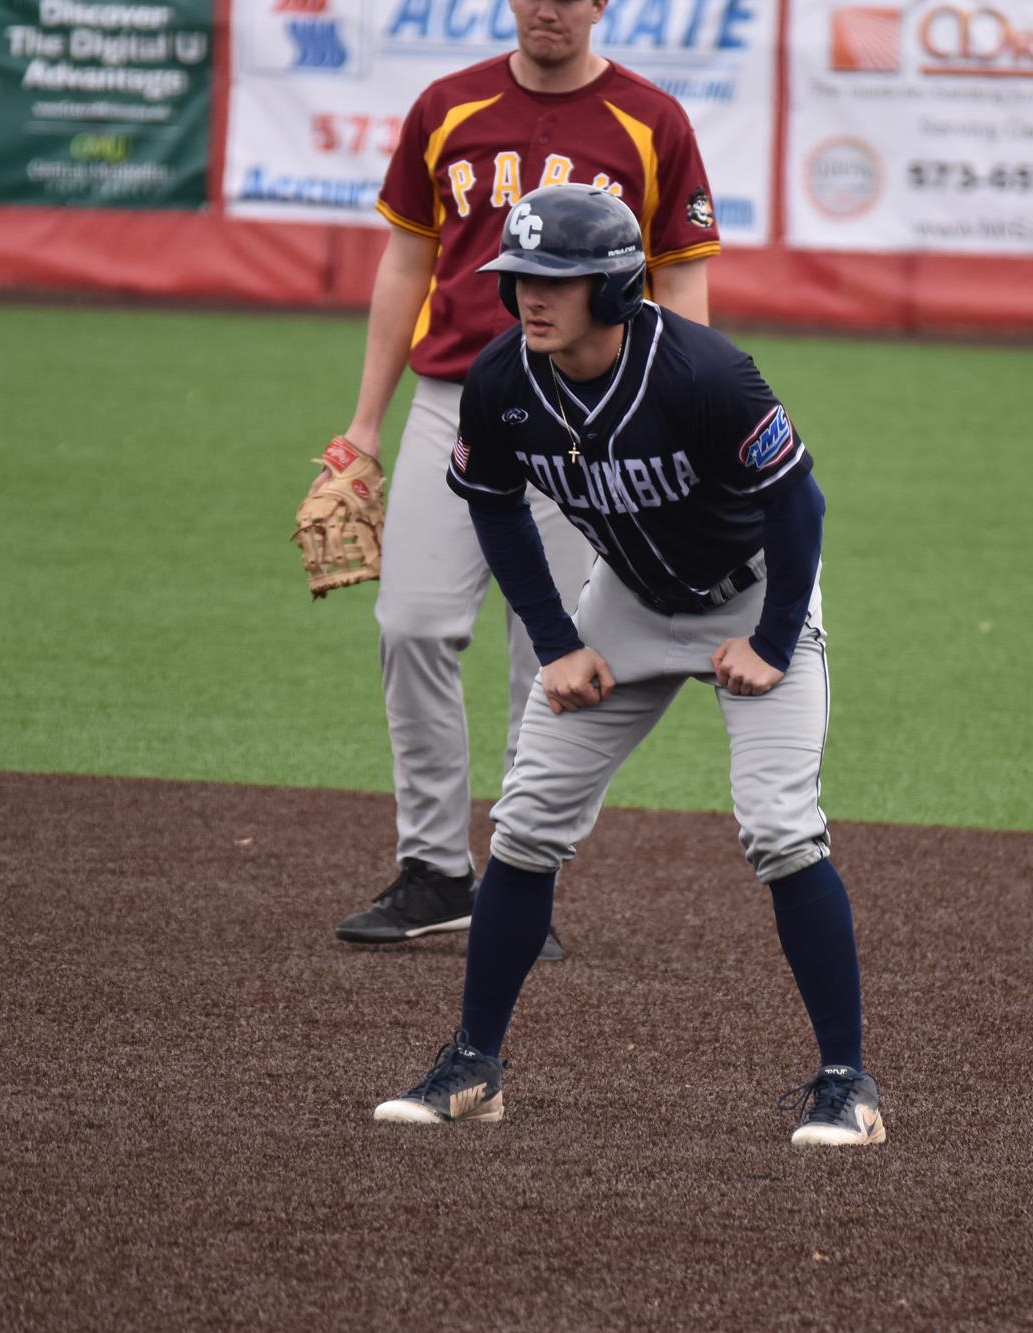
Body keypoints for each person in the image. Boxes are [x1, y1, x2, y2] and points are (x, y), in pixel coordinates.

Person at [370, 185, 885, 1147]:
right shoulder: (498, 381)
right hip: (629, 603)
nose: (529, 295)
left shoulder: (703, 372)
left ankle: (846, 1083)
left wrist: (773, 642)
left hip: (752, 593)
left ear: (612, 287)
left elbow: (800, 505)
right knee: (524, 826)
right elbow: (491, 502)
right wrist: (558, 641)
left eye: (555, 279)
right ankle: (474, 1065)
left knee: (780, 828)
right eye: (518, 276)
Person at [325, 0, 722, 963]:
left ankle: (520, 879)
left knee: (547, 654)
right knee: (411, 624)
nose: (549, 6)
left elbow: (681, 286)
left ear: (600, 6)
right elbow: (405, 264)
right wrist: (363, 427)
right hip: (450, 399)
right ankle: (433, 871)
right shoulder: (448, 107)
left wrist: (683, 425)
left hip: (588, 416)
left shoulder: (651, 122)